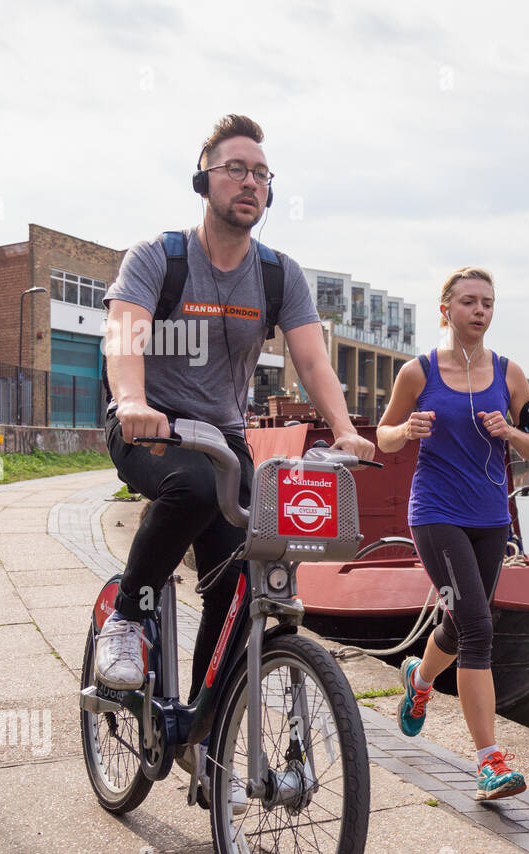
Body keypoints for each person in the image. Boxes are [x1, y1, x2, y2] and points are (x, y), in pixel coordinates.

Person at [94, 115, 374, 792]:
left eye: (260, 173)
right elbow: (122, 333)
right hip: (150, 431)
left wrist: (342, 427)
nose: (249, 181)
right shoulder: (160, 256)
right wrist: (133, 401)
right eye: (235, 169)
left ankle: (201, 731)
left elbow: (312, 357)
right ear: (204, 177)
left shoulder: (278, 276)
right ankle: (128, 616)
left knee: (242, 578)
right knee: (189, 486)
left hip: (224, 437)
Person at [375, 268, 529, 800]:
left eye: (489, 304)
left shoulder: (509, 372)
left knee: (458, 621)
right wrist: (406, 431)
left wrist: (509, 431)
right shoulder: (417, 372)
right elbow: (383, 436)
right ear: (445, 308)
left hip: (492, 516)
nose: (481, 311)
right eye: (470, 302)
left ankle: (418, 681)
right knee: (478, 624)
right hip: (436, 514)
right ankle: (489, 761)